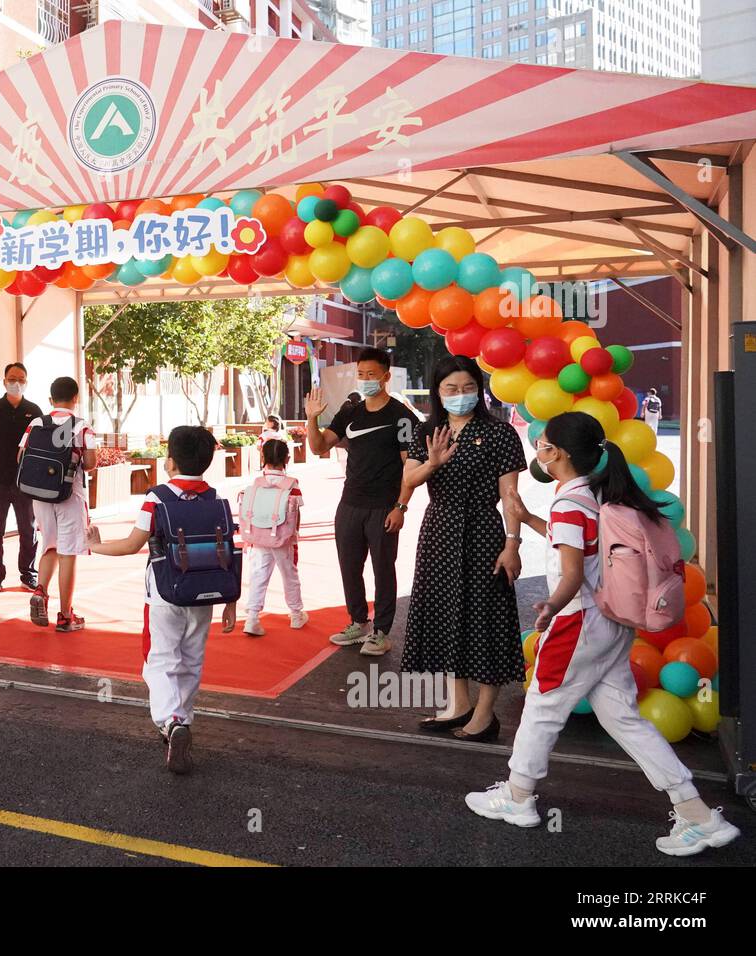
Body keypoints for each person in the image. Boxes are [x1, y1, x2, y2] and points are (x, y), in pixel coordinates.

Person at [468, 411, 741, 856]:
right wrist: (530, 519)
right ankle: (697, 814)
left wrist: (550, 607)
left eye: (542, 443)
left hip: (577, 621)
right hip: (611, 624)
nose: (537, 448)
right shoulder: (594, 493)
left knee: (541, 706)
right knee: (623, 719)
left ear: (555, 452)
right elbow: (579, 543)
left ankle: (518, 797)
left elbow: (572, 570)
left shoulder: (569, 501)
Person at [87, 426, 236, 774]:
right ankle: (181, 719)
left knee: (159, 660)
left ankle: (171, 723)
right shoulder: (215, 498)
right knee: (190, 661)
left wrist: (95, 545)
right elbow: (228, 551)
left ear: (169, 461)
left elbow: (131, 544)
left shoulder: (156, 499)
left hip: (165, 594)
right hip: (206, 594)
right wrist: (231, 600)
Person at [401, 356, 526, 740]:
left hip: (485, 532)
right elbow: (409, 480)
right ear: (438, 393)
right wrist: (433, 463)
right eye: (451, 390)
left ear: (480, 389)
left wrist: (513, 543)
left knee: (485, 620)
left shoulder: (501, 434)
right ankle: (458, 705)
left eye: (468, 388)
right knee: (446, 617)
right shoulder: (426, 431)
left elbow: (510, 495)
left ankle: (485, 714)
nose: (460, 396)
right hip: (439, 531)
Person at [304, 349, 416, 656]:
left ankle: (381, 632)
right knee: (349, 567)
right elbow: (318, 447)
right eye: (361, 374)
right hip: (350, 504)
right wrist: (311, 417)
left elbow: (410, 468)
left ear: (385, 376)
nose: (366, 380)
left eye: (372, 374)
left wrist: (401, 507)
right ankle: (357, 622)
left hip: (384, 506)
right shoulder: (350, 411)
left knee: (383, 569)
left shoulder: (401, 416)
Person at [23, 376, 98, 632]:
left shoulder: (36, 423)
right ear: (76, 399)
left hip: (39, 495)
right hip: (69, 495)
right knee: (68, 553)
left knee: (49, 546)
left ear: (50, 399)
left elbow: (21, 455)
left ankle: (40, 592)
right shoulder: (81, 426)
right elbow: (90, 463)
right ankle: (66, 615)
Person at [0, 362, 41, 592]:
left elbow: (41, 447)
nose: (16, 383)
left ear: (26, 382)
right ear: (4, 381)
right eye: (12, 378)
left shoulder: (34, 410)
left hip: (26, 483)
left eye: (21, 379)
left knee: (28, 530)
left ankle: (28, 574)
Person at [241, 439, 306, 636]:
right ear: (287, 458)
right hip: (283, 539)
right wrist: (294, 534)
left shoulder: (256, 484)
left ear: (263, 458)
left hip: (258, 536)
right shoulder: (291, 485)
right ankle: (296, 614)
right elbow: (297, 514)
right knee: (289, 575)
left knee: (258, 575)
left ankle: (252, 617)